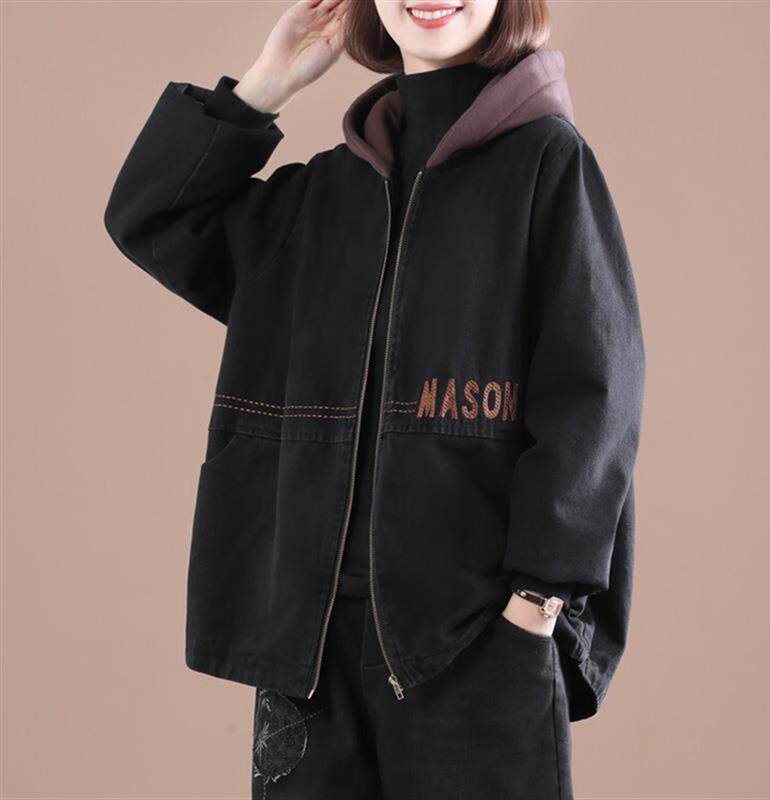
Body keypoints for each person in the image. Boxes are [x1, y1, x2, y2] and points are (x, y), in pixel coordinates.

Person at [103, 0, 645, 797]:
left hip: (475, 640)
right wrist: (267, 83)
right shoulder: (327, 194)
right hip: (311, 642)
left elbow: (594, 397)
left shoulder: (547, 164)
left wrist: (535, 604)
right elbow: (152, 216)